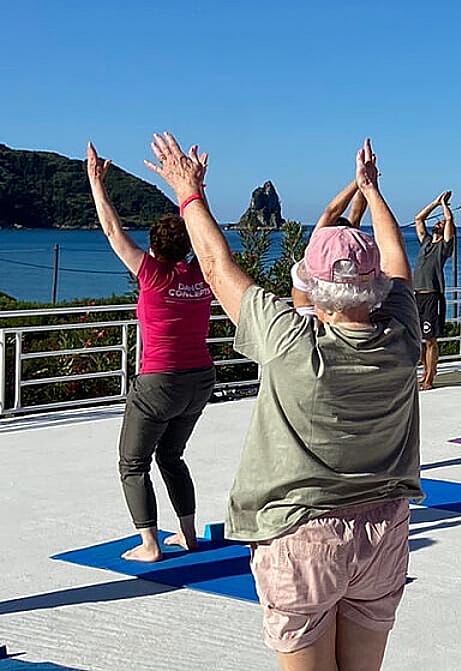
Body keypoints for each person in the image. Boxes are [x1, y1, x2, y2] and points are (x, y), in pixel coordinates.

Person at [145, 133, 421, 670]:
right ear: (376, 288)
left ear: (313, 289)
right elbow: (397, 259)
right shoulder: (401, 336)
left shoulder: (290, 342)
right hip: (385, 528)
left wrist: (189, 192)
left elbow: (215, 266)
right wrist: (373, 192)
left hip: (302, 536)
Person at [85, 142, 216, 563]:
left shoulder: (153, 273)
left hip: (160, 381)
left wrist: (95, 181)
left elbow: (111, 230)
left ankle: (149, 544)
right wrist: (193, 189)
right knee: (171, 456)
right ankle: (189, 534)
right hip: (200, 379)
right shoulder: (201, 272)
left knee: (132, 463)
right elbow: (207, 237)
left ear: (154, 248)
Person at [292, 180, 368, 318]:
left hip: (309, 320)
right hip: (331, 319)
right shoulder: (343, 265)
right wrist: (365, 183)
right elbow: (351, 214)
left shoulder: (314, 257)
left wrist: (360, 182)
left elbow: (335, 212)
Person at [413, 191, 456, 390]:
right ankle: (425, 372)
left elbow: (448, 219)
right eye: (437, 223)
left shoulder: (445, 247)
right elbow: (418, 218)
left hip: (432, 296)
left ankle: (430, 378)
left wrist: (444, 206)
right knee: (419, 338)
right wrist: (434, 202)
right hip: (416, 295)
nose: (437, 223)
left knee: (430, 339)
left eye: (440, 224)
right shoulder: (426, 242)